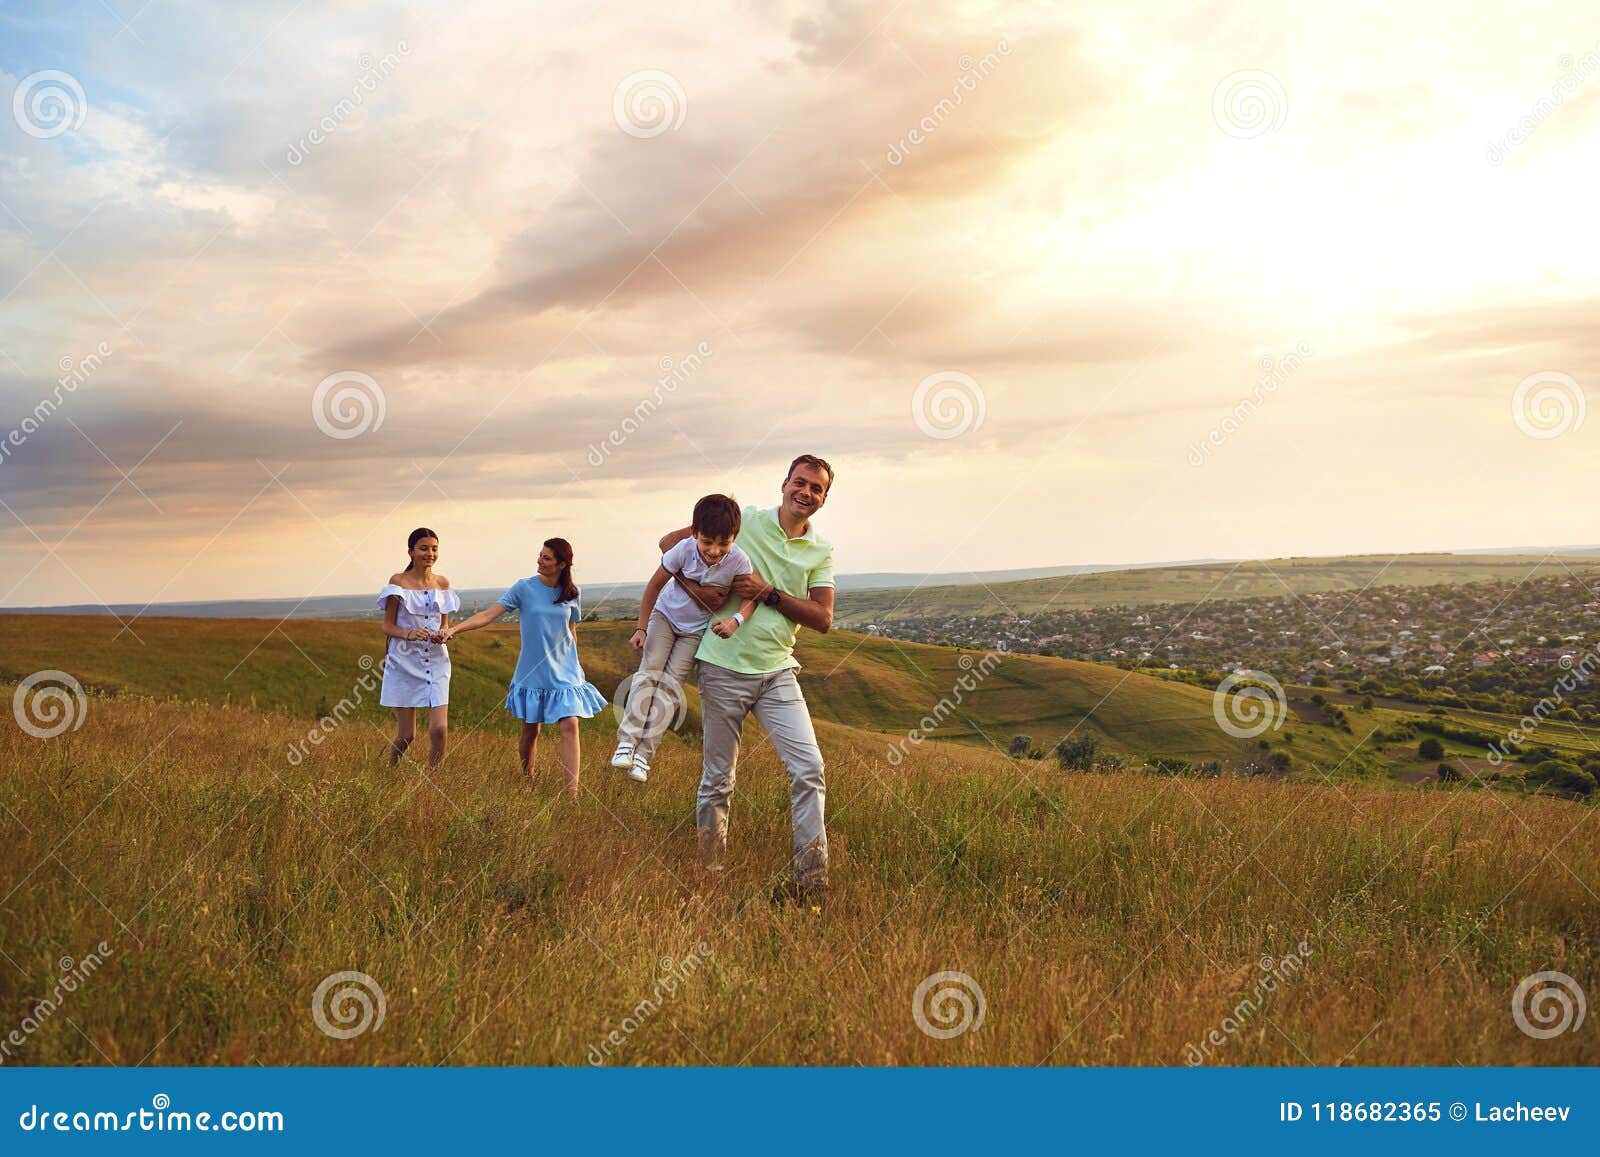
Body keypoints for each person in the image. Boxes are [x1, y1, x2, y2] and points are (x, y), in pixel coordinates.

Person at [658, 454, 836, 900]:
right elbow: (670, 546)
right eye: (800, 482)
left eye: (816, 488)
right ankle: (709, 877)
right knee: (719, 780)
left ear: (823, 498)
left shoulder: (821, 550)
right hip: (722, 667)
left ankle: (810, 884)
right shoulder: (746, 521)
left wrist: (769, 594)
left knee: (809, 768)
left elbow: (823, 618)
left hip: (778, 672)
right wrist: (699, 591)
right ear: (784, 484)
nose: (806, 492)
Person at [440, 538, 606, 798]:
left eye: (547, 558)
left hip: (565, 671)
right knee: (531, 731)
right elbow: (487, 615)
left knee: (570, 724)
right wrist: (454, 629)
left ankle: (572, 794)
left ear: (562, 564)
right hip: (532, 671)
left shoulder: (573, 593)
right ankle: (528, 777)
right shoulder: (524, 588)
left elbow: (572, 630)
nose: (540, 560)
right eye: (540, 555)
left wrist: (576, 664)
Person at [612, 494, 758, 784]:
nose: (715, 551)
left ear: (734, 538)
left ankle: (643, 757)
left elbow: (750, 598)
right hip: (664, 617)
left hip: (693, 631)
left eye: (723, 543)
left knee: (670, 688)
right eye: (707, 542)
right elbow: (653, 587)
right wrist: (641, 628)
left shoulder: (739, 560)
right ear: (695, 534)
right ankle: (626, 743)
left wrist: (735, 621)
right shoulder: (683, 549)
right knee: (649, 674)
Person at [377, 527, 458, 770]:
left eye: (434, 548)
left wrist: (443, 634)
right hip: (403, 661)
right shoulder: (398, 582)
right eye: (424, 548)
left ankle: (433, 779)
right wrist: (409, 634)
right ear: (411, 551)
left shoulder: (442, 583)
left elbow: (444, 625)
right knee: (407, 735)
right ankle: (391, 768)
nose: (430, 553)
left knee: (439, 728)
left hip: (436, 661)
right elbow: (387, 626)